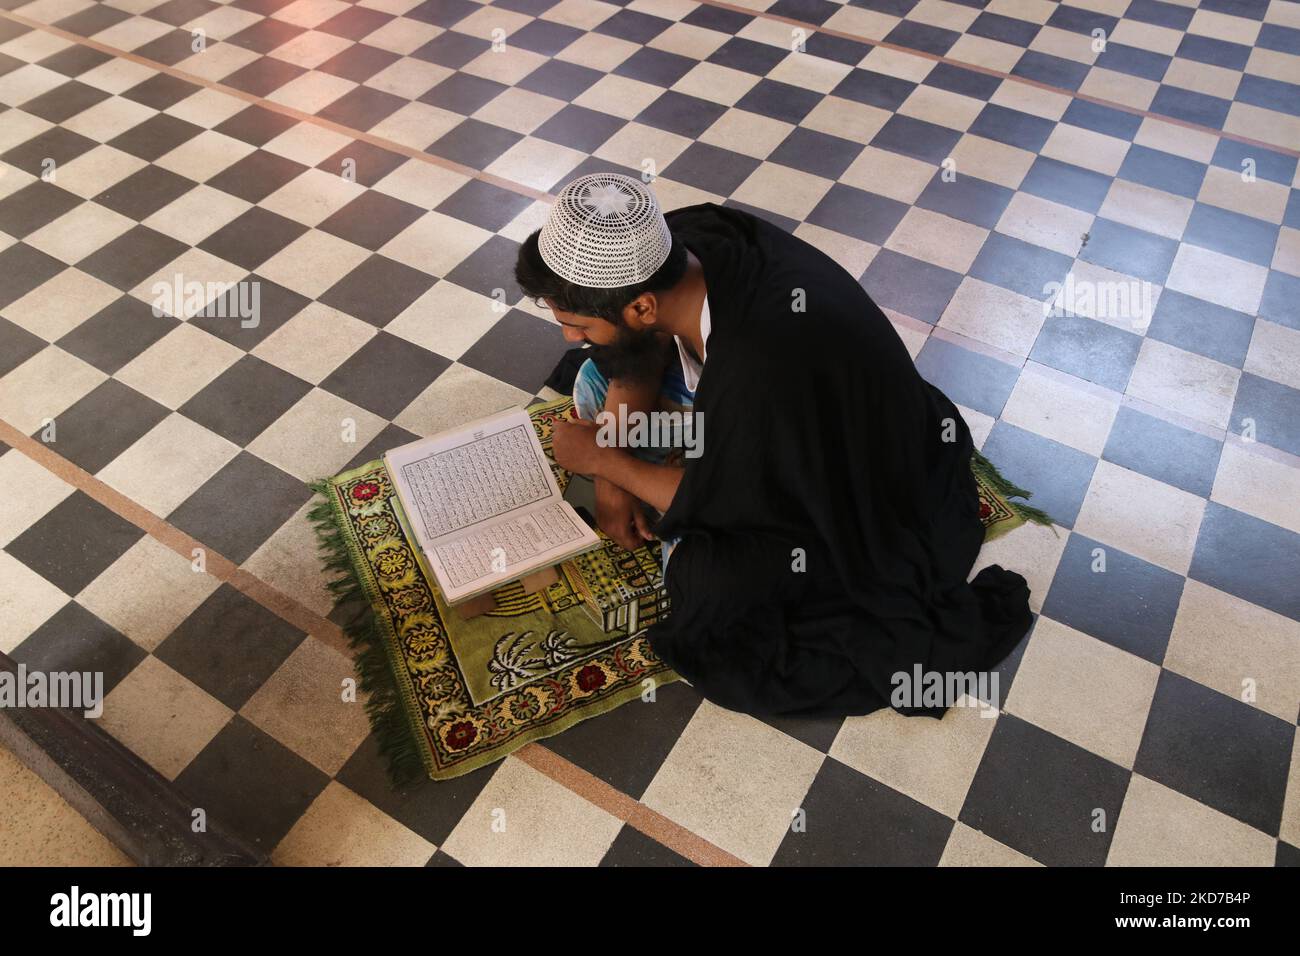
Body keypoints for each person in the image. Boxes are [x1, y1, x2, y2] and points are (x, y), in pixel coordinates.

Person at [513, 172, 1033, 719]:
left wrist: (603, 459)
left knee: (710, 586)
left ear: (642, 307)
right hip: (791, 407)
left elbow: (733, 497)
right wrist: (611, 483)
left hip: (852, 471)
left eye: (577, 324)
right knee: (597, 379)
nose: (568, 337)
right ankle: (649, 447)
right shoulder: (688, 237)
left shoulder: (757, 367)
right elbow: (637, 357)